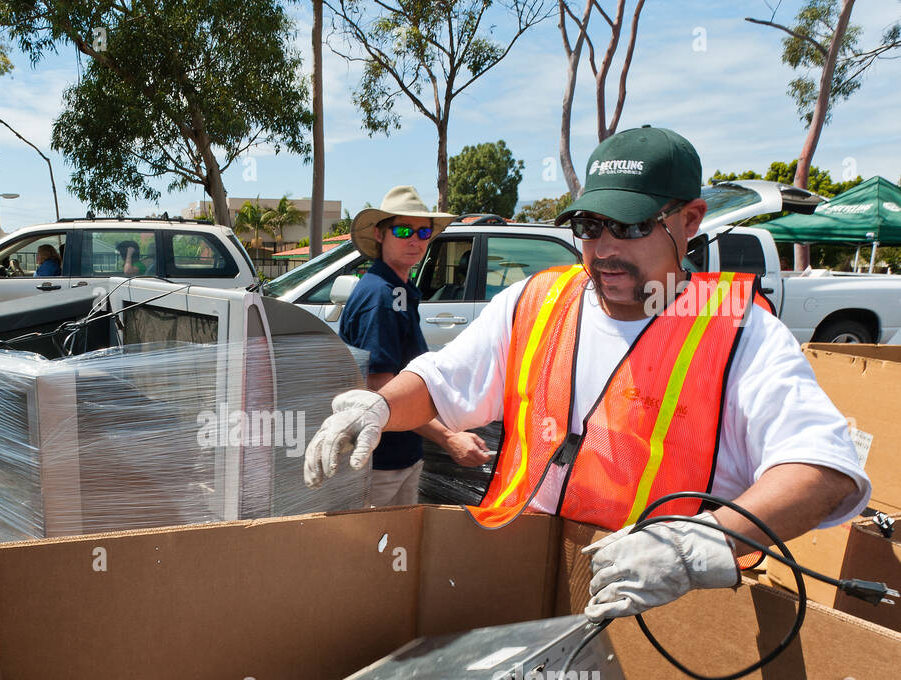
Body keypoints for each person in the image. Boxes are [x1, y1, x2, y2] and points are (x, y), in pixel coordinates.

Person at [305, 127, 869, 620]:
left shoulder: (740, 331)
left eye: (629, 227)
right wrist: (380, 406)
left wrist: (700, 543)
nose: (603, 249)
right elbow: (442, 379)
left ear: (690, 221)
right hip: (528, 574)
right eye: (590, 226)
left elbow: (824, 471)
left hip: (666, 606)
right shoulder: (538, 300)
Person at [337, 186, 495, 506]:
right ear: (381, 234)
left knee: (398, 548)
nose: (415, 240)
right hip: (378, 462)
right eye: (403, 230)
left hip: (402, 454)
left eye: (423, 231)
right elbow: (383, 388)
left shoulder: (399, 289)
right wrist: (448, 437)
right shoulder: (379, 296)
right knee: (372, 551)